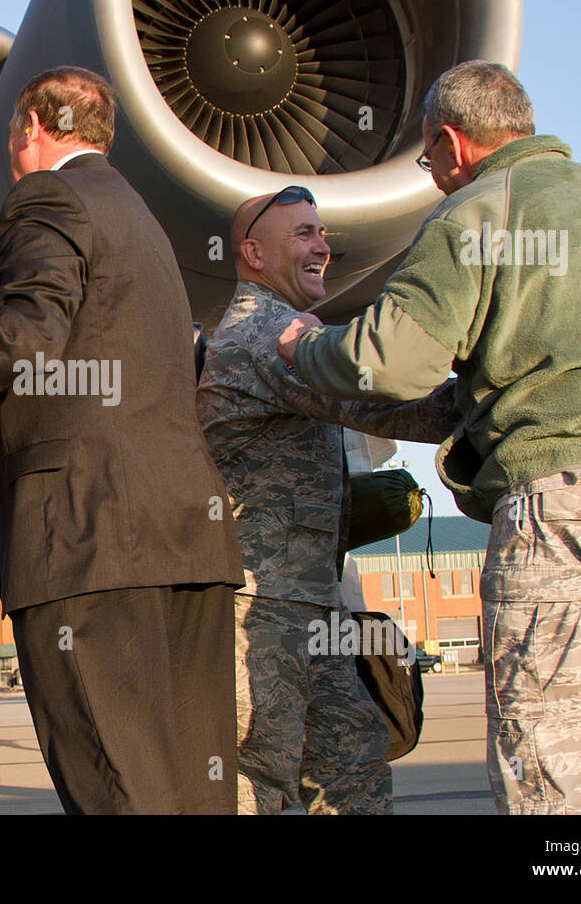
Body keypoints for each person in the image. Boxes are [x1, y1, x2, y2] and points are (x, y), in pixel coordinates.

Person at [277, 60, 581, 814]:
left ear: (451, 141)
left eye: (427, 159)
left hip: (569, 510)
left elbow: (390, 359)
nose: (434, 174)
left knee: (555, 772)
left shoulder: (482, 211)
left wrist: (301, 349)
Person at [0, 66, 246, 814]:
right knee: (193, 787)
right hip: (184, 537)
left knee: (118, 783)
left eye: (12, 137)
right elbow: (78, 371)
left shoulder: (49, 197)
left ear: (31, 129)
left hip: (88, 541)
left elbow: (28, 335)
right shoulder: (136, 216)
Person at [198, 187, 457, 814]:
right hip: (260, 605)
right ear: (254, 253)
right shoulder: (263, 335)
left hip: (309, 600)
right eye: (304, 234)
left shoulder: (288, 329)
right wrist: (497, 388)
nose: (323, 246)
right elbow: (386, 404)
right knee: (258, 777)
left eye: (322, 233)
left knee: (353, 763)